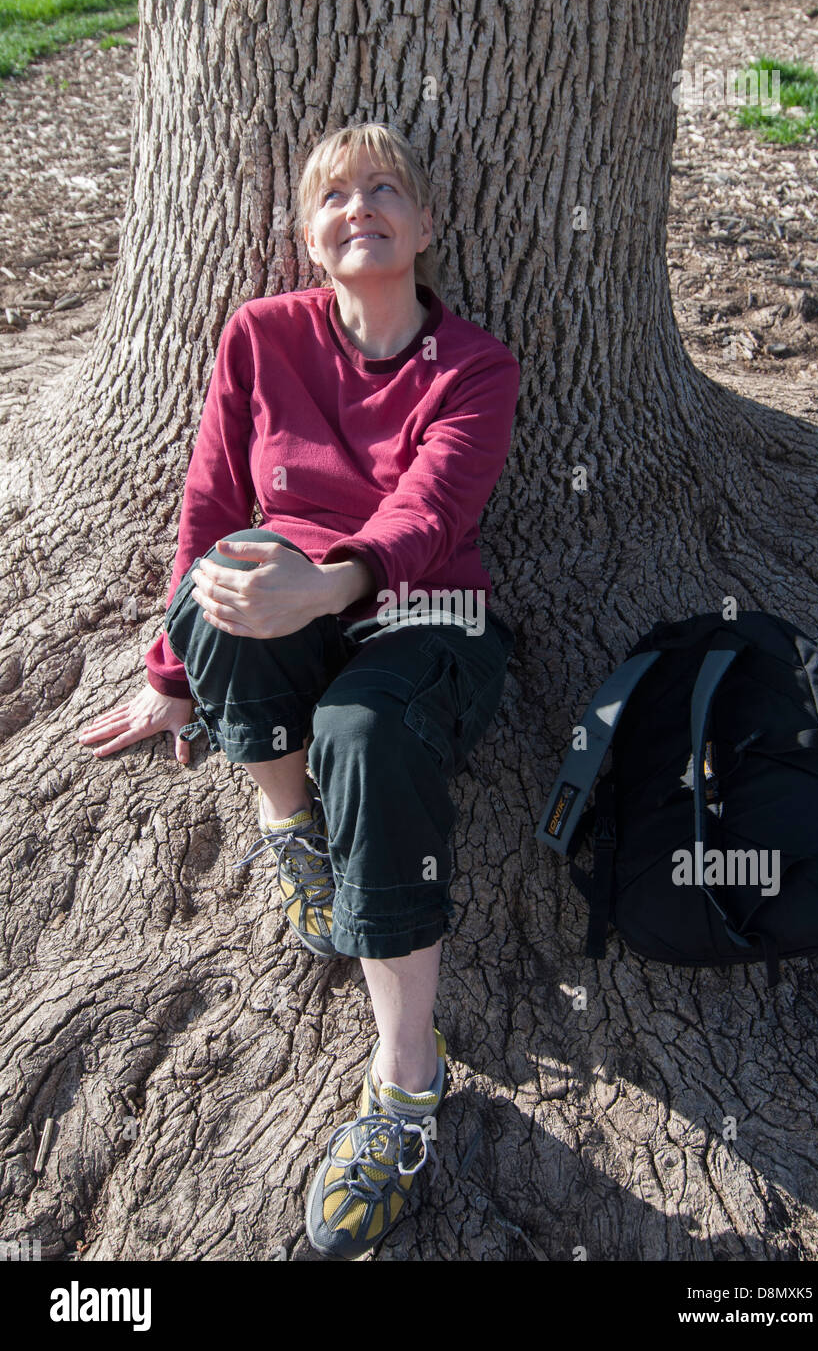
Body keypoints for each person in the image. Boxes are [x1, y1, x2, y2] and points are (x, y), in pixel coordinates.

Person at [78, 121, 520, 1260]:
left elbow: (430, 516)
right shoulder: (261, 337)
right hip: (284, 600)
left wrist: (324, 586)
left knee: (363, 730)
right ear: (308, 234)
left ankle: (403, 1085)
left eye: (385, 190)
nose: (358, 206)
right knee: (222, 576)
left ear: (426, 227)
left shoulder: (473, 364)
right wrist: (174, 673)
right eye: (332, 195)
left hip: (424, 612)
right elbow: (210, 501)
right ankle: (290, 829)